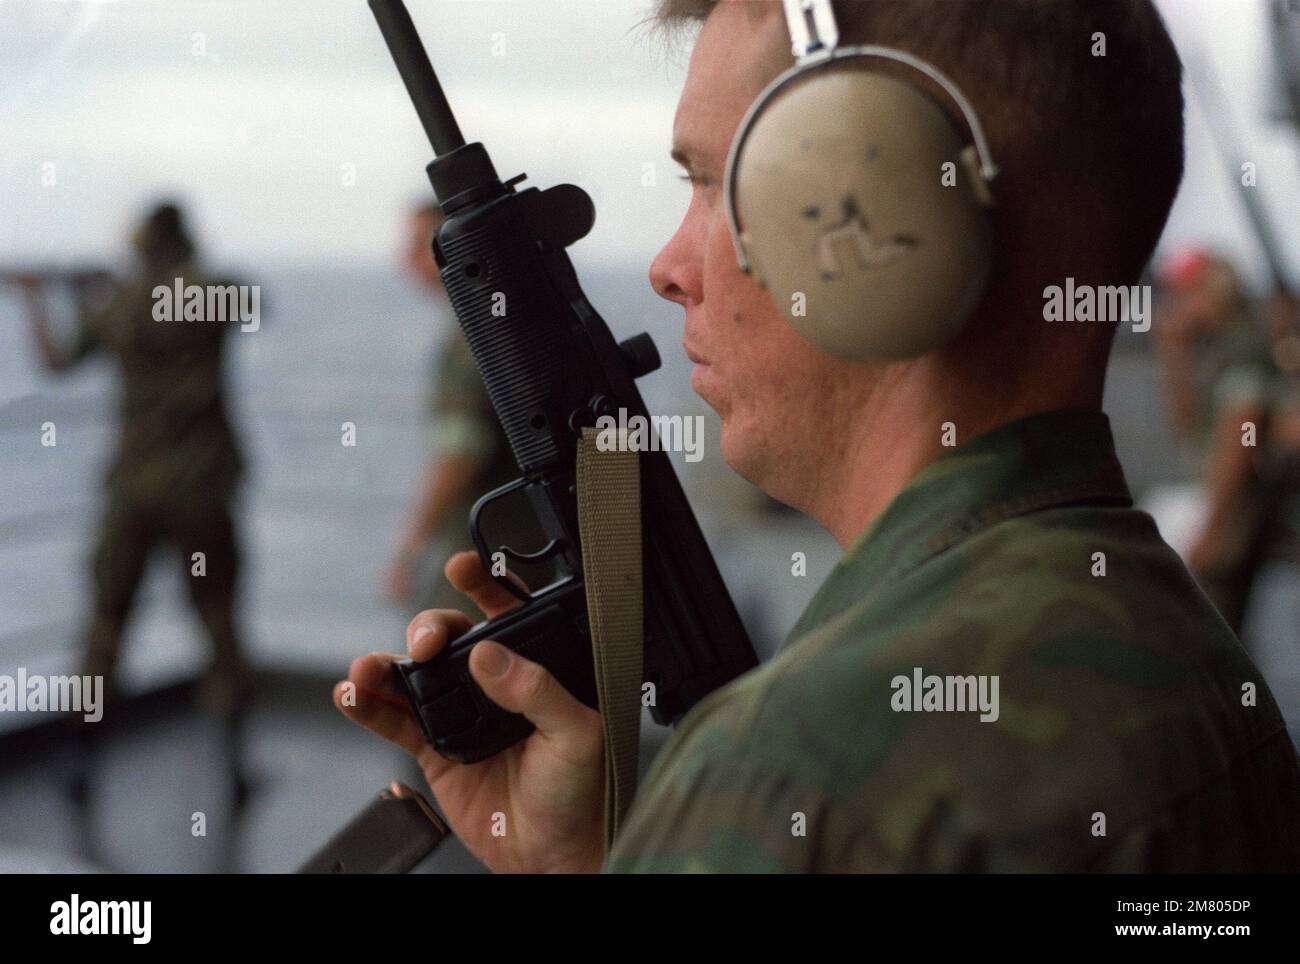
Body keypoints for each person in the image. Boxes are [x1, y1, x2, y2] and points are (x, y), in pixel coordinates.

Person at [337, 0, 1300, 872]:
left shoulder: (788, 780)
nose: (671, 266)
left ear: (889, 229)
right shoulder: (1204, 676)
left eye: (714, 184)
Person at [19, 202, 253, 749]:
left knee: (106, 621)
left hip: (132, 490)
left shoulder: (119, 303)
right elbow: (246, 302)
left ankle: (82, 750)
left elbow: (57, 362)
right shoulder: (207, 291)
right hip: (201, 486)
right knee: (218, 618)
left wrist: (46, 297)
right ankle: (234, 755)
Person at [379, 202, 546, 612]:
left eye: (421, 245)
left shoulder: (473, 340)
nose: (406, 259)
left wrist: (411, 546)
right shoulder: (514, 320)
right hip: (537, 543)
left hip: (499, 546)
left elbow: (462, 449)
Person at [1154, 251, 1279, 634]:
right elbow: (1187, 430)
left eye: (1186, 294)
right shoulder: (1208, 346)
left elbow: (1241, 439)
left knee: (1218, 633)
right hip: (1215, 503)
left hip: (1236, 513)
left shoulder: (1242, 346)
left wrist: (1211, 529)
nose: (1176, 306)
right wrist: (1172, 351)